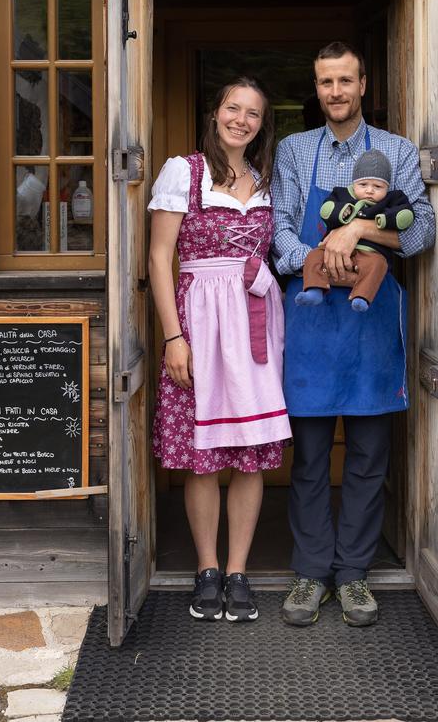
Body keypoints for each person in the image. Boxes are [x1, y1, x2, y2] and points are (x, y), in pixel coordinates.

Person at [272, 42, 435, 627]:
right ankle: (311, 573)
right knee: (311, 458)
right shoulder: (293, 150)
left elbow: (419, 234)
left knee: (368, 457)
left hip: (370, 326)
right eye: (324, 82)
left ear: (363, 84)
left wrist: (358, 229)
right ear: (315, 89)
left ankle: (355, 575)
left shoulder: (396, 150)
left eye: (344, 80)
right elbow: (281, 232)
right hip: (313, 320)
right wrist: (321, 254)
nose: (334, 92)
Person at [148, 77, 291, 624]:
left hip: (255, 321)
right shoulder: (183, 172)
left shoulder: (267, 179)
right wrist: (172, 336)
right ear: (215, 113)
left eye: (253, 113)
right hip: (198, 321)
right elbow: (161, 258)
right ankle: (207, 569)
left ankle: (238, 570)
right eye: (233, 107)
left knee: (251, 453)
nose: (242, 119)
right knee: (202, 456)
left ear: (262, 124)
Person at [296, 148, 414, 312]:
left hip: (370, 253)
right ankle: (314, 289)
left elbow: (405, 215)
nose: (369, 190)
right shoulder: (341, 194)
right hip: (330, 251)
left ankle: (362, 296)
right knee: (313, 256)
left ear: (388, 187)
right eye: (363, 184)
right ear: (354, 183)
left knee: (378, 265)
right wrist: (341, 213)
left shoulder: (392, 199)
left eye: (378, 186)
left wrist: (384, 219)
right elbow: (327, 209)